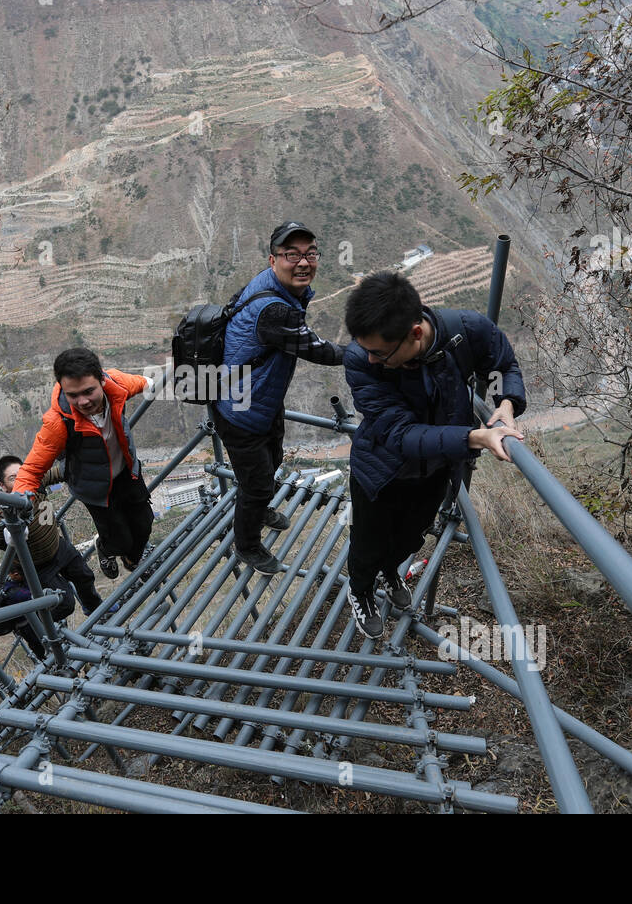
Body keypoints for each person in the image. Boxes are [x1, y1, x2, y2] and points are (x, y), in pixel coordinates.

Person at [342, 271, 527, 640]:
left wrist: (506, 403)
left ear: (415, 333)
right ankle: (360, 590)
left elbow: (504, 363)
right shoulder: (360, 360)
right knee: (368, 542)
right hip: (380, 471)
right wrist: (475, 437)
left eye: (380, 352)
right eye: (366, 350)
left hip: (435, 471)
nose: (371, 360)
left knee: (412, 536)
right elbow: (401, 435)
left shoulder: (465, 329)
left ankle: (392, 569)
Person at [211, 221, 345, 573]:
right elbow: (317, 350)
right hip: (241, 408)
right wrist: (368, 353)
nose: (303, 263)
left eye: (310, 254)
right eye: (292, 255)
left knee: (270, 460)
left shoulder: (268, 284)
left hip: (257, 397)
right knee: (256, 480)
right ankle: (247, 545)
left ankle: (258, 503)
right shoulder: (275, 308)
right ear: (274, 260)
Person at [12, 348, 154, 580]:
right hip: (93, 487)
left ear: (102, 379)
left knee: (145, 523)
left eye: (89, 391)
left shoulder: (116, 384)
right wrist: (18, 510)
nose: (83, 401)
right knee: (119, 539)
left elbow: (137, 382)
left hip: (127, 473)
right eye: (73, 395)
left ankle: (132, 560)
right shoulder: (58, 423)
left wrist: (152, 382)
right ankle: (106, 549)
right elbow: (32, 470)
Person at [0, 455, 105, 615]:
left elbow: (64, 471)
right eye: (13, 478)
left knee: (84, 576)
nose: (20, 480)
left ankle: (93, 607)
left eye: (22, 473)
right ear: (3, 486)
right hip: (38, 566)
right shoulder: (1, 516)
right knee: (64, 603)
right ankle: (38, 628)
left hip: (58, 547)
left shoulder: (36, 481)